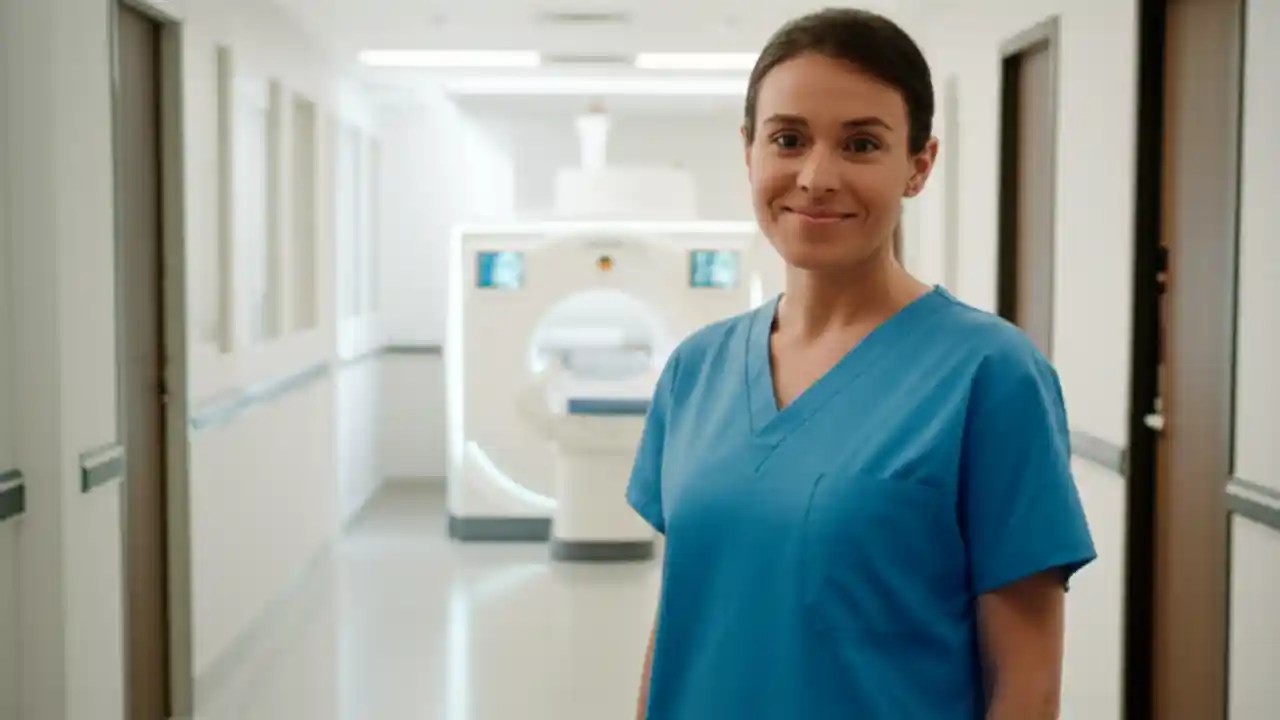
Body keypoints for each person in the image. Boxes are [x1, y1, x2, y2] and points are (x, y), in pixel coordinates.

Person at [625, 8, 1095, 720]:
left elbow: (1027, 685)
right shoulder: (696, 371)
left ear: (919, 164)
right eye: (787, 139)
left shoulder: (988, 375)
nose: (816, 176)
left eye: (861, 144)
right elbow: (684, 622)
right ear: (749, 150)